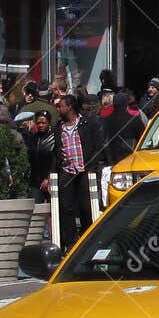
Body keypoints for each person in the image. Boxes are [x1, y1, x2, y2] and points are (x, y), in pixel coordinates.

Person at [53, 94, 103, 249]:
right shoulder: (59, 127)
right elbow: (56, 151)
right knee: (66, 207)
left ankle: (88, 240)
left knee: (85, 207)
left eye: (60, 106)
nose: (58, 109)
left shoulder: (87, 124)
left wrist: (93, 167)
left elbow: (98, 145)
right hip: (67, 170)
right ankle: (72, 242)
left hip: (84, 170)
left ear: (69, 107)